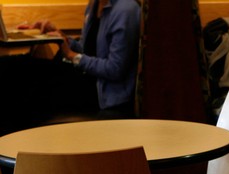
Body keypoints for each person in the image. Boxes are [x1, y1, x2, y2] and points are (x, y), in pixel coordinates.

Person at [0, 0, 140, 136]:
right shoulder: (94, 5)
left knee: (23, 77)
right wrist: (62, 37)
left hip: (102, 93)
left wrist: (72, 56)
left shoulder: (126, 10)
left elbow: (115, 69)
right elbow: (85, 50)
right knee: (13, 67)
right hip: (85, 77)